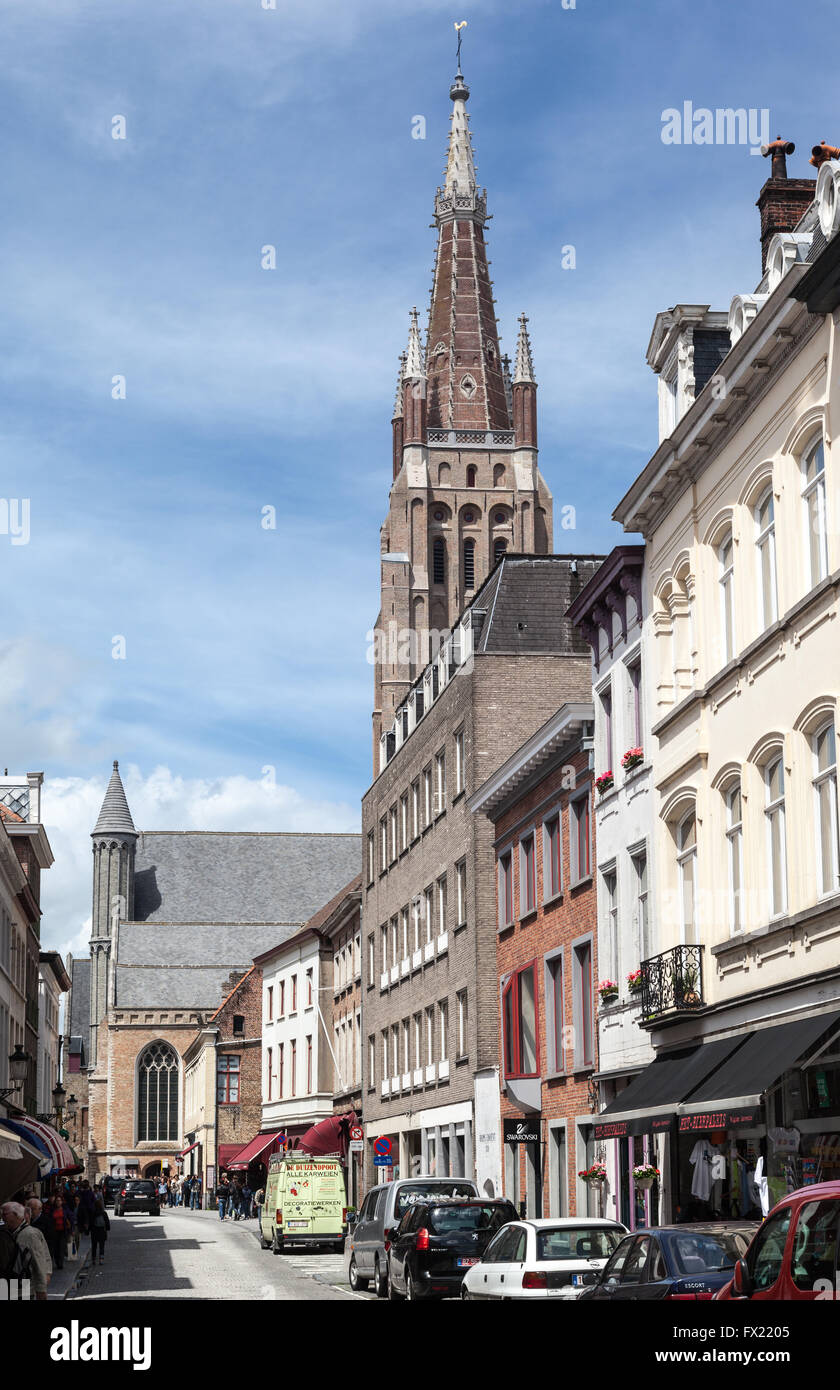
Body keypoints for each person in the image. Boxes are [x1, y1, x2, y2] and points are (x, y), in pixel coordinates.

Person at [1, 1201, 52, 1300]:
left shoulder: (29, 1234)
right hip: (4, 1284)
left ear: (16, 1215)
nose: (2, 1217)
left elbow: (39, 1261)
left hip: (22, 1286)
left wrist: (41, 1289)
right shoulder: (6, 1233)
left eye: (5, 1214)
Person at [89, 1197, 111, 1265]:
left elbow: (91, 1222)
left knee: (94, 1246)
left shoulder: (93, 1213)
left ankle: (93, 1259)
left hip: (94, 1231)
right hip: (102, 1231)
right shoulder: (104, 1213)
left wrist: (88, 1230)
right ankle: (101, 1259)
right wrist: (107, 1228)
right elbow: (107, 1222)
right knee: (102, 1246)